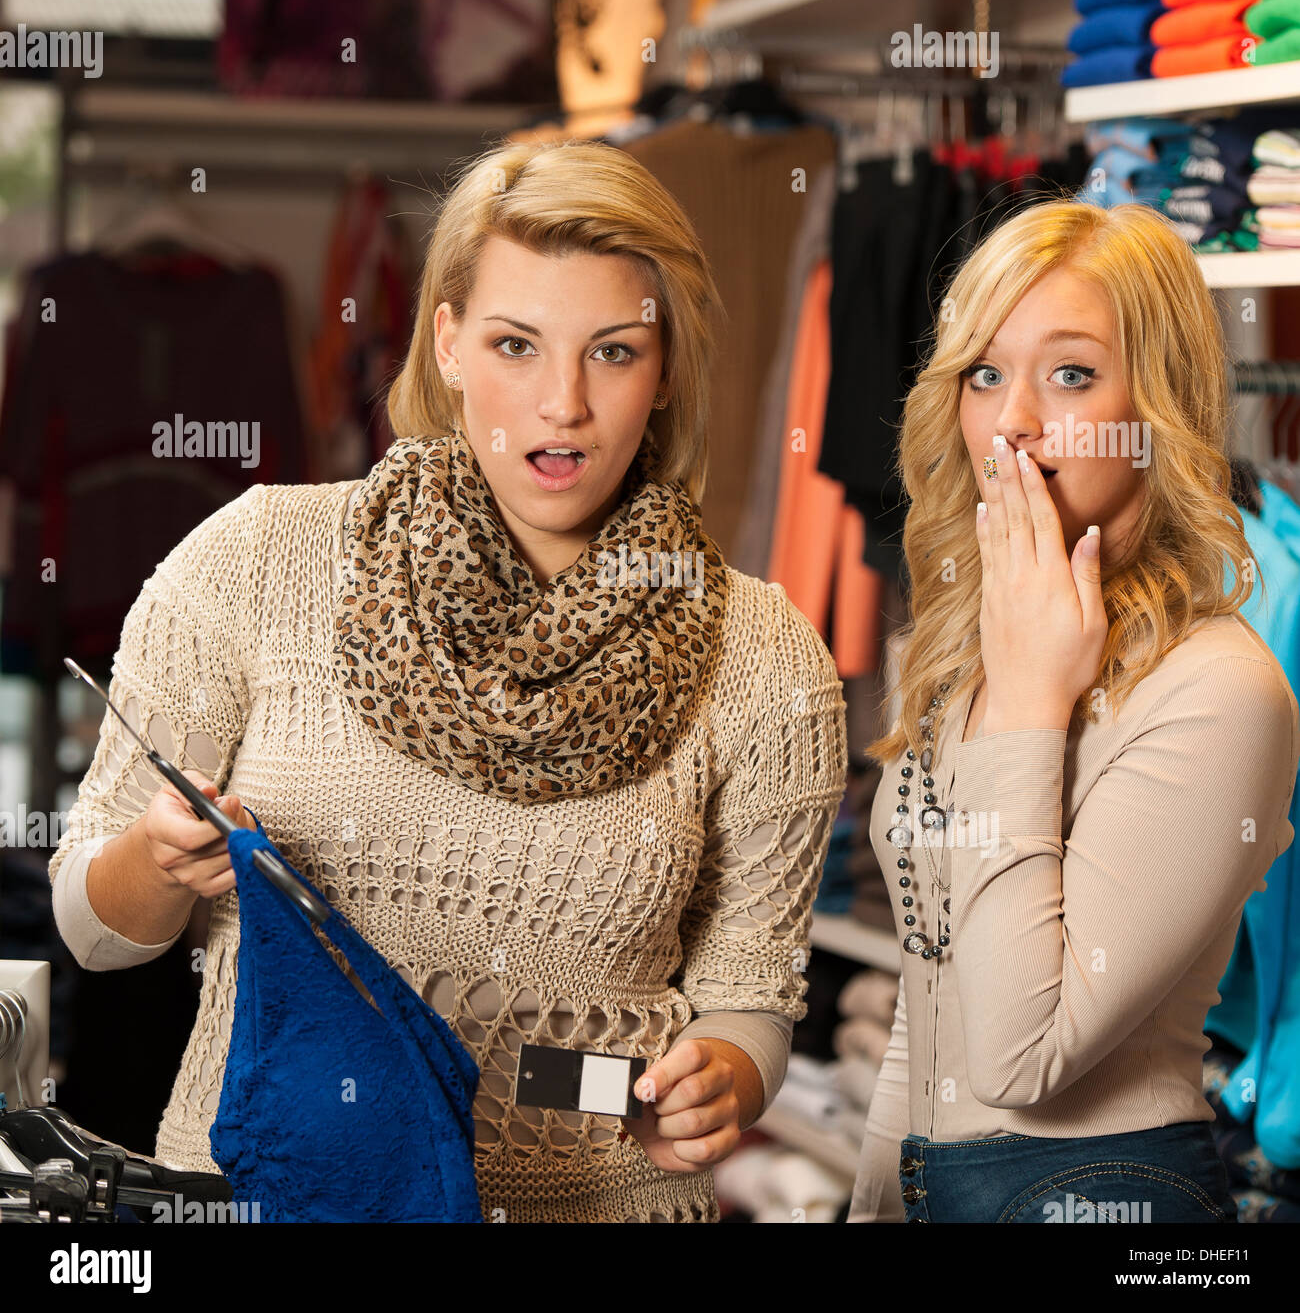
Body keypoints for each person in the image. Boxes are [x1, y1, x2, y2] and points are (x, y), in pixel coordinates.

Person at [48, 138, 847, 1223]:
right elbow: (94, 930)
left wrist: (719, 1077)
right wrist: (155, 859)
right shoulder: (251, 561)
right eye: (516, 344)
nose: (560, 403)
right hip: (274, 1199)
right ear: (449, 343)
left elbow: (749, 999)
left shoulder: (764, 657)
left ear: (663, 375)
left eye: (612, 352)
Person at [849, 198, 1298, 1224]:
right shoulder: (968, 643)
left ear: (1158, 401)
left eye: (1070, 373)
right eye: (983, 372)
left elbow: (1017, 1050)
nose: (1010, 421)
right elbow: (932, 988)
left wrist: (1030, 702)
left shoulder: (1217, 687)